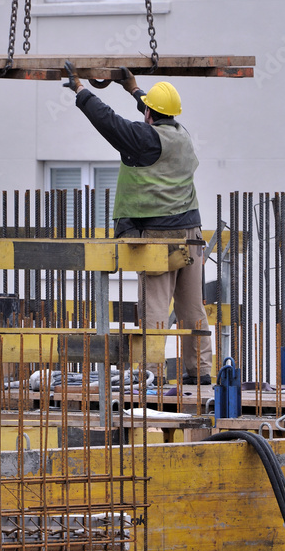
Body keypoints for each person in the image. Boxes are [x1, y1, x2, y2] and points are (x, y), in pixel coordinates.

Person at [63, 64, 212, 385]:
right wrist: (133, 89)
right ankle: (200, 372)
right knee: (192, 307)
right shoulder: (181, 134)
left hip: (161, 237)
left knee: (154, 307)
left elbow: (108, 121)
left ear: (149, 115)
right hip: (192, 234)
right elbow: (154, 110)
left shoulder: (144, 139)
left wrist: (80, 90)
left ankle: (151, 374)